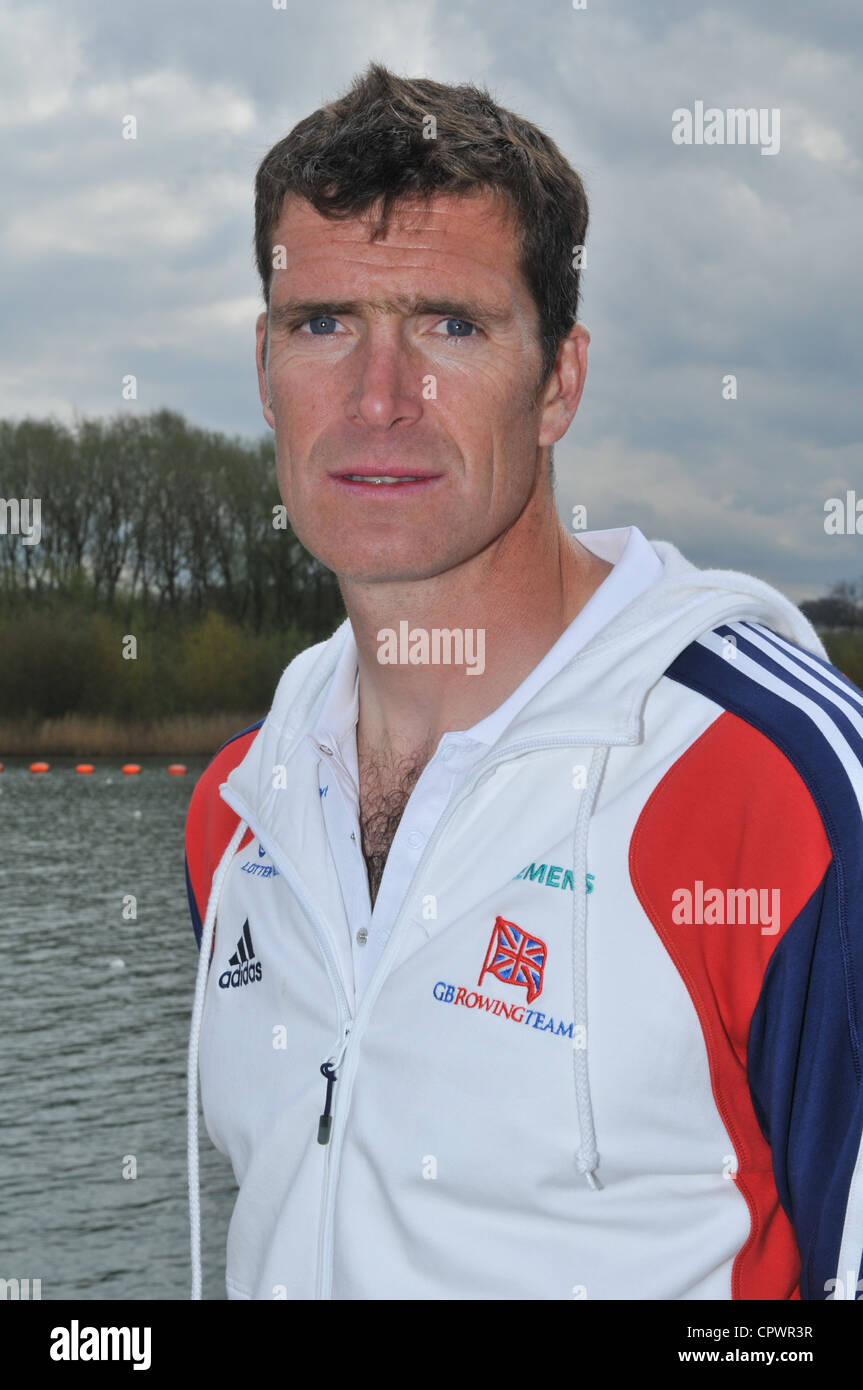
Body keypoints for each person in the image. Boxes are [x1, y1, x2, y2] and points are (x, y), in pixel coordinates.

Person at [185, 62, 863, 1301]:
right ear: (266, 369)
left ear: (558, 382)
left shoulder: (781, 793)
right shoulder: (239, 812)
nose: (378, 399)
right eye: (323, 322)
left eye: (450, 324)